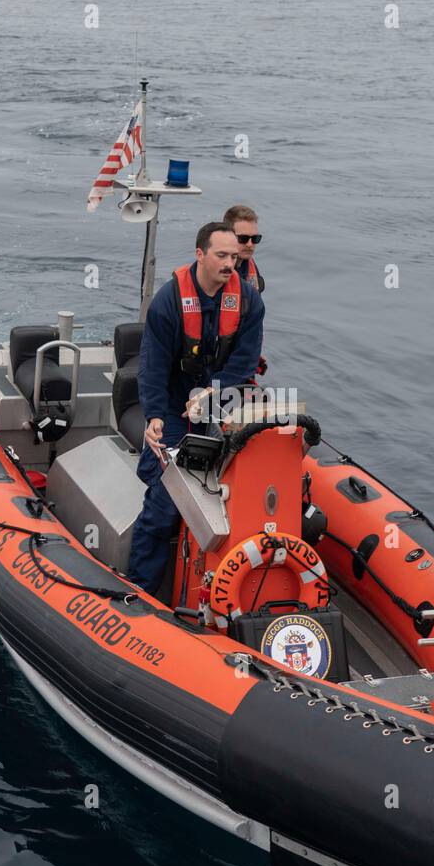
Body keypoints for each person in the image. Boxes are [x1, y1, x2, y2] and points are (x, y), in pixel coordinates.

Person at [126, 221, 265, 594]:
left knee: (244, 494)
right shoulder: (169, 303)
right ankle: (139, 590)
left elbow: (245, 361)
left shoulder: (249, 302)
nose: (229, 264)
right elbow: (152, 367)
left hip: (221, 401)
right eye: (221, 255)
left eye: (234, 257)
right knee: (167, 501)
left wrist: (213, 390)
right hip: (174, 405)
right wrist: (154, 416)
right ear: (200, 254)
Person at [224, 204, 265, 293]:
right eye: (243, 239)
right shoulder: (215, 272)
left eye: (255, 239)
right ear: (227, 236)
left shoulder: (249, 264)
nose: (250, 244)